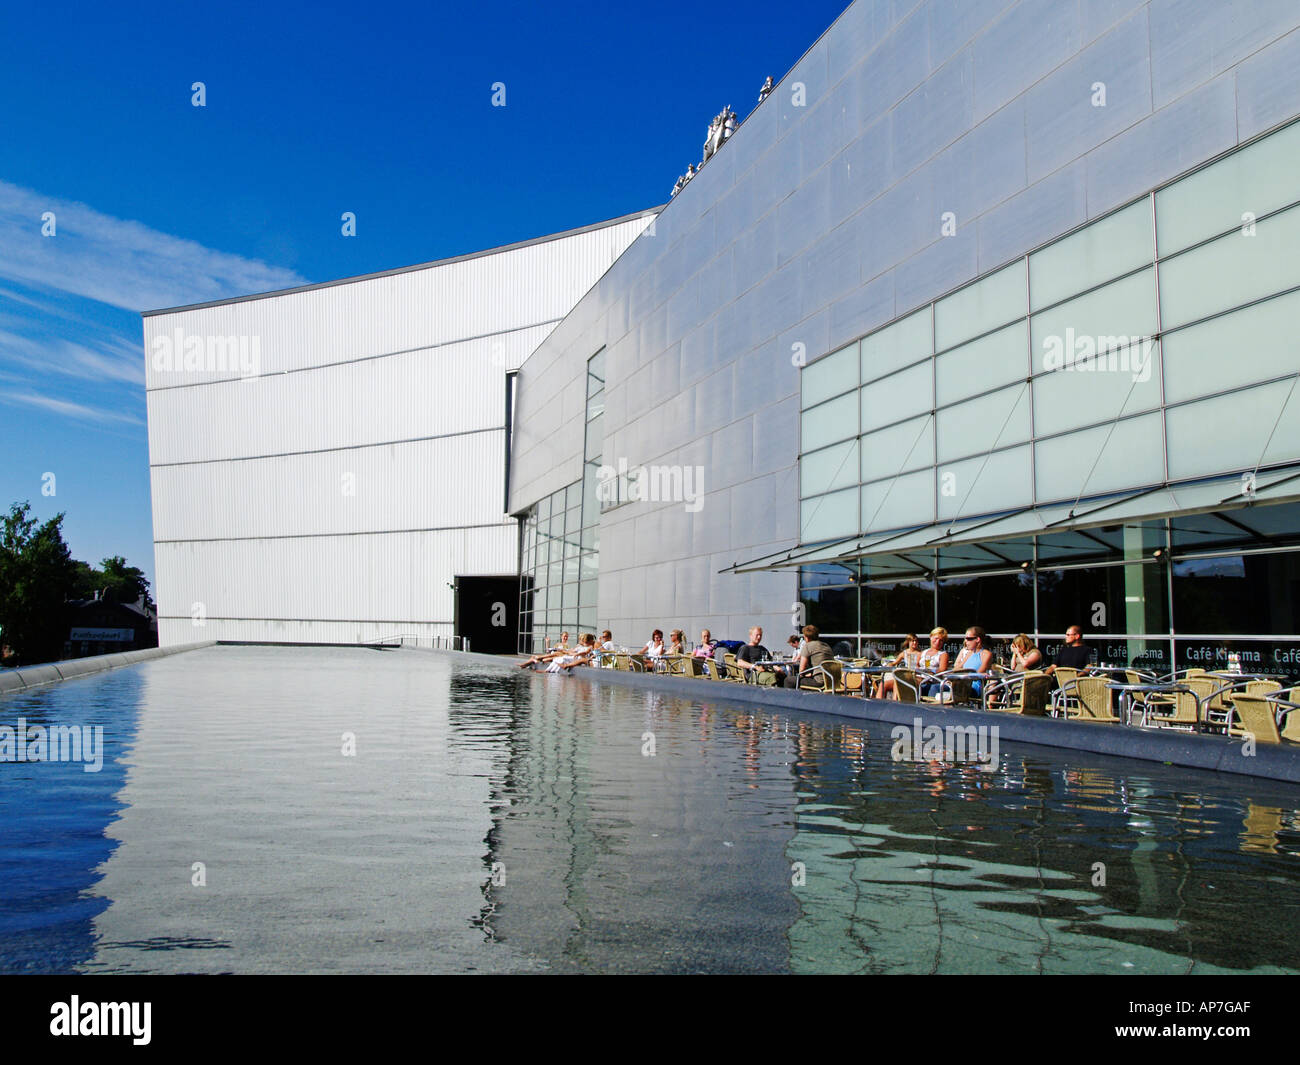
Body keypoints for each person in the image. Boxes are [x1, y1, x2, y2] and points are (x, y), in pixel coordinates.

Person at [951, 626, 993, 701]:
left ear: (977, 639)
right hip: (960, 685)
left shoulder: (986, 654)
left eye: (968, 639)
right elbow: (956, 669)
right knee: (933, 687)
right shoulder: (969, 653)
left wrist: (962, 676)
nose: (966, 641)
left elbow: (979, 673)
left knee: (951, 691)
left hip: (973, 686)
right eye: (965, 638)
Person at [878, 633, 920, 700]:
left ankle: (895, 702)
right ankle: (878, 703)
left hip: (914, 678)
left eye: (916, 641)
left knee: (897, 683)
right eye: (913, 641)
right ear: (908, 642)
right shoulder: (904, 653)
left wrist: (916, 665)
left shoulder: (920, 654)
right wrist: (889, 665)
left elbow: (921, 667)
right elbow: (895, 662)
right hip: (904, 677)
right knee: (883, 684)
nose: (915, 643)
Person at [918, 627, 951, 699]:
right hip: (920, 679)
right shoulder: (923, 652)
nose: (938, 642)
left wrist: (930, 672)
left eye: (941, 640)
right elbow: (915, 665)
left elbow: (942, 670)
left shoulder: (943, 654)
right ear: (931, 637)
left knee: (914, 685)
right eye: (936, 638)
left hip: (932, 681)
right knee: (899, 683)